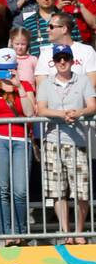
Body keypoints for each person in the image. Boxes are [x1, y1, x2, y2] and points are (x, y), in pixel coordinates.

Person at [36, 44, 96, 243]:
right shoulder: (46, 83)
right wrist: (62, 114)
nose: (62, 62)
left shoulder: (83, 80)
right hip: (53, 141)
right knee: (57, 191)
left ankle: (78, 232)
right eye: (58, 58)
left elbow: (92, 106)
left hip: (78, 141)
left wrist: (79, 112)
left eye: (66, 58)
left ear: (72, 60)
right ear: (53, 62)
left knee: (82, 191)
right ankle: (66, 232)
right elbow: (41, 109)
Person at [0, 47, 36, 243]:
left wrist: (19, 87)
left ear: (16, 67)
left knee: (20, 190)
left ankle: (21, 233)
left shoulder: (25, 85)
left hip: (21, 141)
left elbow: (30, 113)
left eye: (10, 68)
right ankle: (6, 234)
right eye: (2, 69)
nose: (6, 73)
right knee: (2, 189)